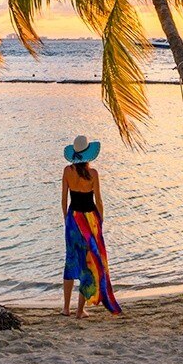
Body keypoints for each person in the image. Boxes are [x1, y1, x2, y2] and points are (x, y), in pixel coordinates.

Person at [61, 134, 120, 318]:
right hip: (89, 220)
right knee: (88, 263)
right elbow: (99, 201)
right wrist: (100, 221)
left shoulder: (67, 171)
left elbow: (63, 200)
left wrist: (67, 220)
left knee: (71, 261)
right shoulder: (93, 174)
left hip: (73, 218)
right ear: (88, 154)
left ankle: (65, 308)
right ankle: (79, 311)